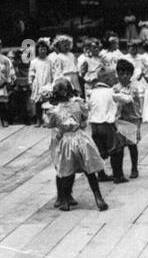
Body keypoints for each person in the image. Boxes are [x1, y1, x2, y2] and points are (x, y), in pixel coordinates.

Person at [45, 78, 108, 212]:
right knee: (89, 170)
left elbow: (50, 124)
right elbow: (84, 118)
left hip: (66, 141)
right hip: (81, 138)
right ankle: (98, 197)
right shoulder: (78, 105)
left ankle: (65, 200)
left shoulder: (55, 111)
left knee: (67, 171)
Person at [109, 58, 143, 182]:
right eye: (121, 74)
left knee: (132, 145)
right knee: (120, 146)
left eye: (127, 74)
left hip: (132, 118)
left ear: (131, 74)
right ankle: (120, 171)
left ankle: (134, 167)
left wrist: (118, 95)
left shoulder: (133, 87)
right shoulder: (115, 87)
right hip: (120, 119)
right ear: (117, 74)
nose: (124, 76)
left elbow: (128, 99)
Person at [26, 39, 53, 125]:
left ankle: (47, 120)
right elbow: (31, 72)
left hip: (47, 83)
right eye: (41, 49)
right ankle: (38, 119)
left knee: (47, 102)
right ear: (37, 50)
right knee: (38, 103)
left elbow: (53, 71)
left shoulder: (49, 60)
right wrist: (30, 82)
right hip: (38, 84)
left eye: (44, 49)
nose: (42, 51)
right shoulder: (34, 61)